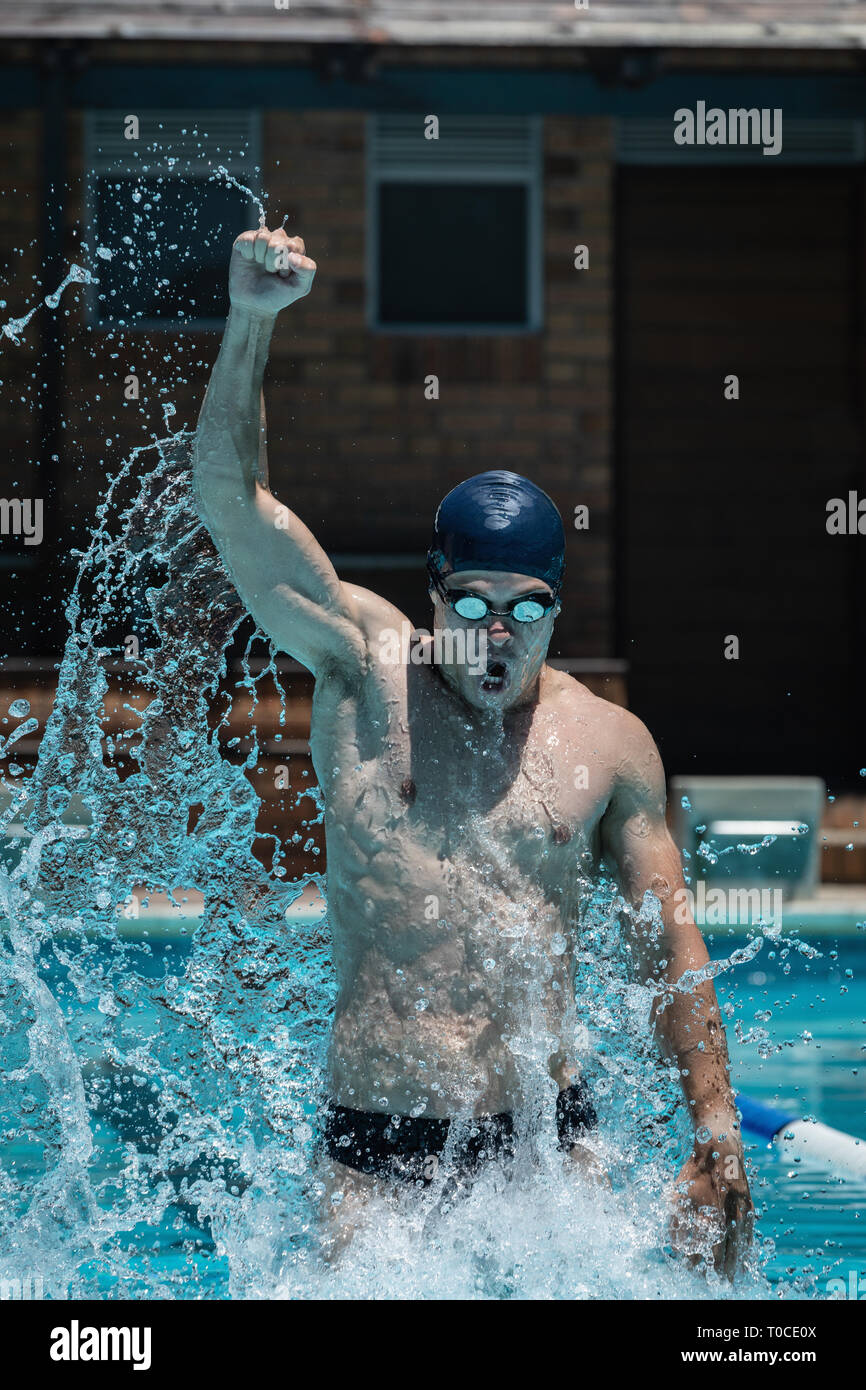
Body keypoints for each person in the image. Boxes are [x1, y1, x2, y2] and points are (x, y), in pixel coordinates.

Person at [193, 225, 753, 1277]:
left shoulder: (607, 744)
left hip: (545, 1150)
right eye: (472, 603)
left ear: (558, 602)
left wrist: (713, 1128)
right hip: (375, 1144)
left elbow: (665, 947)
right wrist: (250, 323)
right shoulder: (364, 666)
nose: (498, 634)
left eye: (528, 608)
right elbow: (233, 507)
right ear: (431, 584)